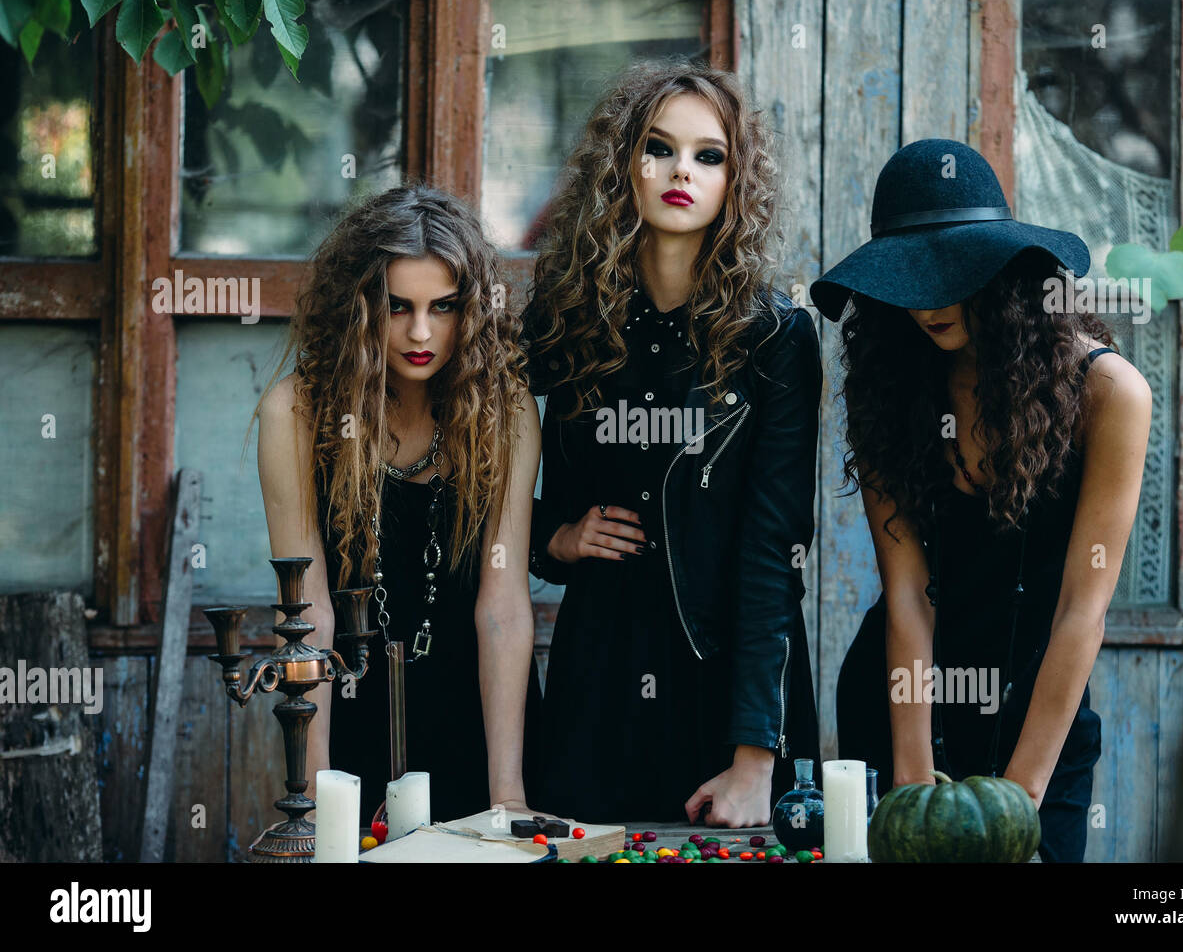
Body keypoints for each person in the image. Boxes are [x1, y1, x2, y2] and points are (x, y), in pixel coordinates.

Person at [810, 139, 1152, 861]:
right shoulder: (886, 388)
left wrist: (1017, 800)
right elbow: (908, 594)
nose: (928, 301)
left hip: (1041, 720)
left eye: (951, 275)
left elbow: (1079, 611)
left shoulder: (1109, 393)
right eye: (906, 280)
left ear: (1004, 272)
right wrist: (909, 782)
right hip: (902, 703)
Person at [523, 60, 822, 826]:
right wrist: (553, 537)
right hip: (599, 674)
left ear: (735, 180)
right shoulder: (565, 322)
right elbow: (482, 490)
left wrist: (756, 757)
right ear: (623, 166)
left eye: (708, 155)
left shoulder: (777, 339)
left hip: (724, 680)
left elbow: (774, 549)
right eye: (658, 148)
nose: (680, 171)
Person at [252, 184, 544, 819]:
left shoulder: (506, 411)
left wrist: (509, 795)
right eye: (396, 307)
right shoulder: (296, 414)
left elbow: (503, 606)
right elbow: (309, 617)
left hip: (481, 718)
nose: (420, 332)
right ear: (358, 307)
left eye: (443, 307)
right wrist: (316, 794)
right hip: (355, 718)